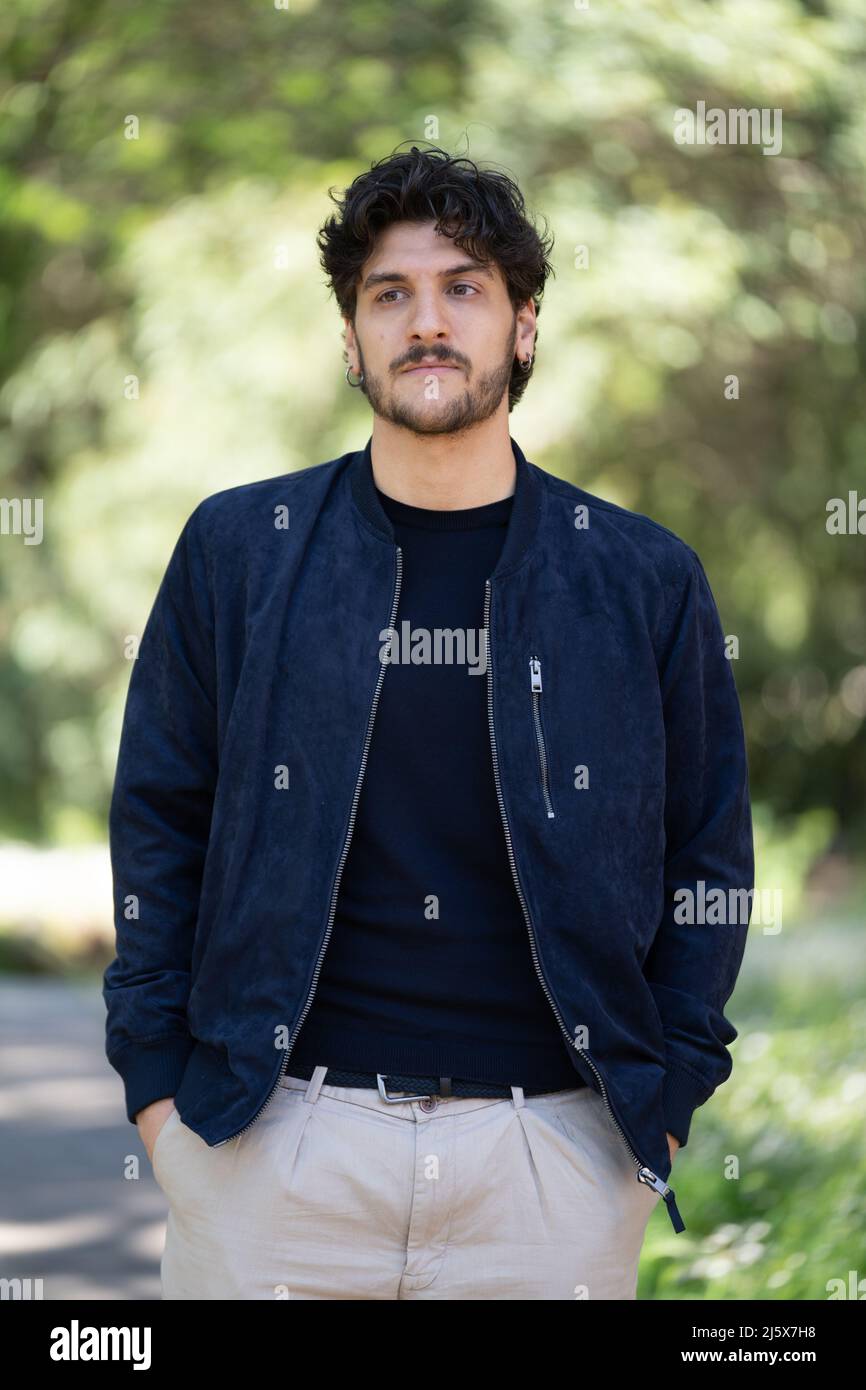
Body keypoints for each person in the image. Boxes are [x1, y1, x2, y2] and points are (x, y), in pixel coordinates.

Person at [103, 144, 754, 1300]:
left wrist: (657, 1119)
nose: (425, 322)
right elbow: (161, 817)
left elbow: (707, 853)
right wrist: (161, 1101)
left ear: (523, 326)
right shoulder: (238, 553)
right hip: (272, 1149)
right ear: (350, 338)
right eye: (388, 294)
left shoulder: (641, 578)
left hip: (550, 1166)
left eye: (462, 288)